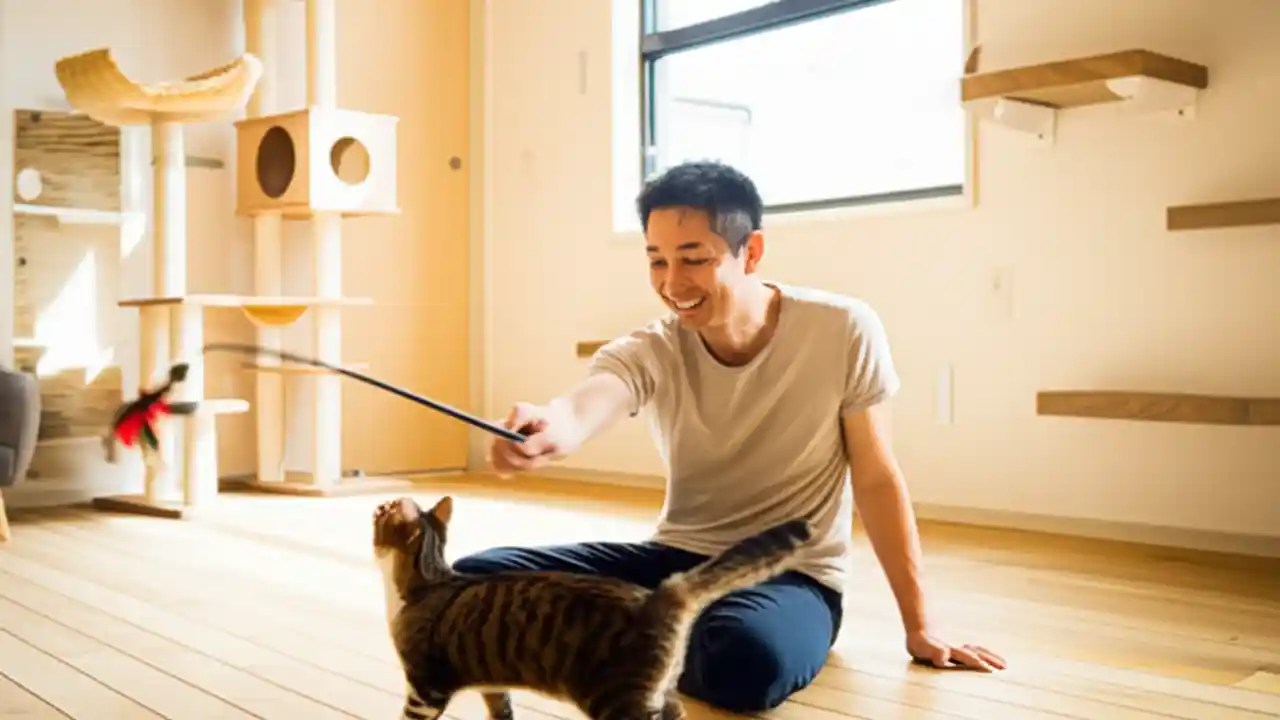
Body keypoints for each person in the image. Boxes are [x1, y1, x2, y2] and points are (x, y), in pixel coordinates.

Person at [454, 160, 1006, 713]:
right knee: (473, 583)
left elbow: (877, 475)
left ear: (753, 251)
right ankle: (641, 638)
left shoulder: (843, 329)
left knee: (747, 660)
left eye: (695, 259)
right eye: (657, 261)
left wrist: (920, 626)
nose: (673, 284)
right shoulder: (652, 348)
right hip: (674, 566)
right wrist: (549, 426)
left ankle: (623, 638)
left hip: (789, 577)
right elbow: (588, 404)